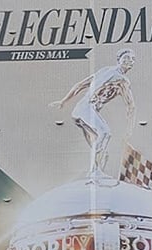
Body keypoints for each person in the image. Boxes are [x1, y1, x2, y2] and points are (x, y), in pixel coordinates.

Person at [50, 49, 135, 177]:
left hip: (82, 111)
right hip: (85, 109)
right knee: (105, 133)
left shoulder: (110, 74)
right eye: (126, 58)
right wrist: (63, 101)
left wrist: (64, 101)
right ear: (119, 60)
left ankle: (95, 172)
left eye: (132, 59)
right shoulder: (120, 79)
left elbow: (80, 85)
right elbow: (130, 105)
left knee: (100, 149)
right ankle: (94, 172)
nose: (129, 61)